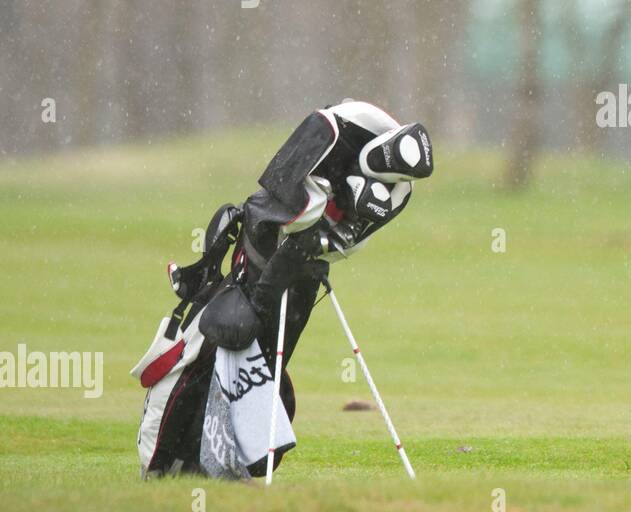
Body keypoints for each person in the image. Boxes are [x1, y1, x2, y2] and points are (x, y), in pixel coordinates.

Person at [133, 100, 433, 479]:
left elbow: (350, 242)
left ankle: (217, 462)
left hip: (300, 274)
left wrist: (318, 243)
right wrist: (317, 213)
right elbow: (285, 197)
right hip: (264, 253)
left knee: (265, 367)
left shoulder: (399, 193)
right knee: (219, 351)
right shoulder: (344, 126)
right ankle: (177, 460)